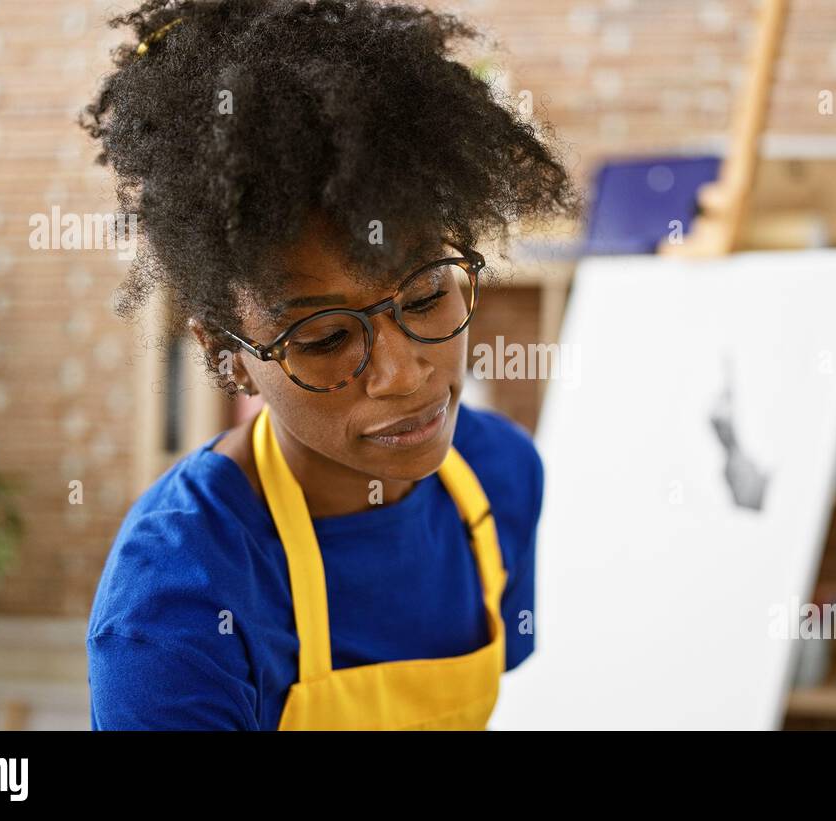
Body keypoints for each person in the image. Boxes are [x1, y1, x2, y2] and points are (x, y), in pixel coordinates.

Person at [81, 0, 579, 729]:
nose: (403, 374)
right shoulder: (175, 607)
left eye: (427, 294)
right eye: (323, 338)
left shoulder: (502, 476)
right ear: (229, 359)